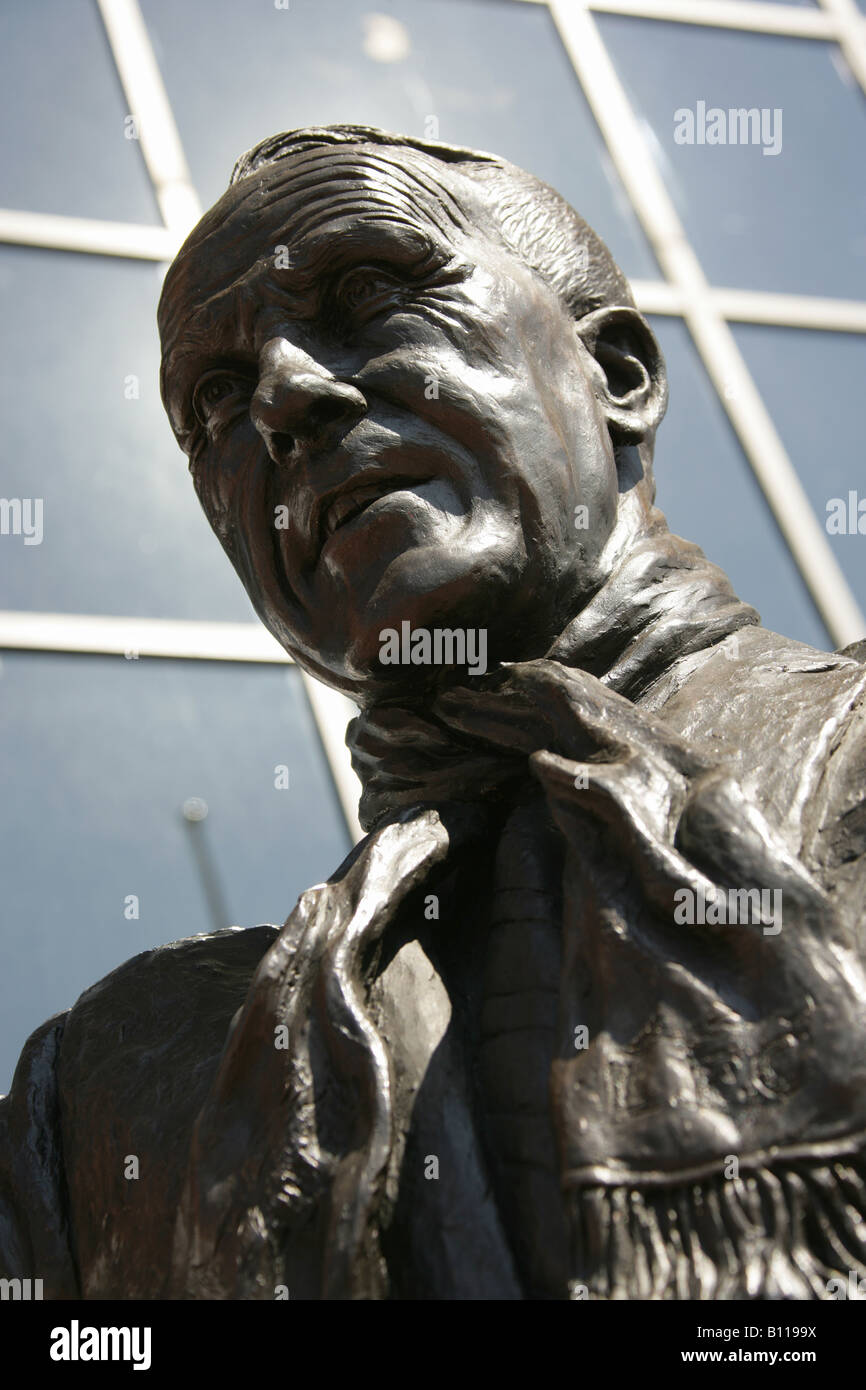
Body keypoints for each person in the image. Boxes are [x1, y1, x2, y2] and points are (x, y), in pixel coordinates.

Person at [3, 125, 866, 1301]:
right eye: (216, 396)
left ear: (614, 376)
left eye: (367, 290)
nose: (284, 398)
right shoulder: (119, 1087)